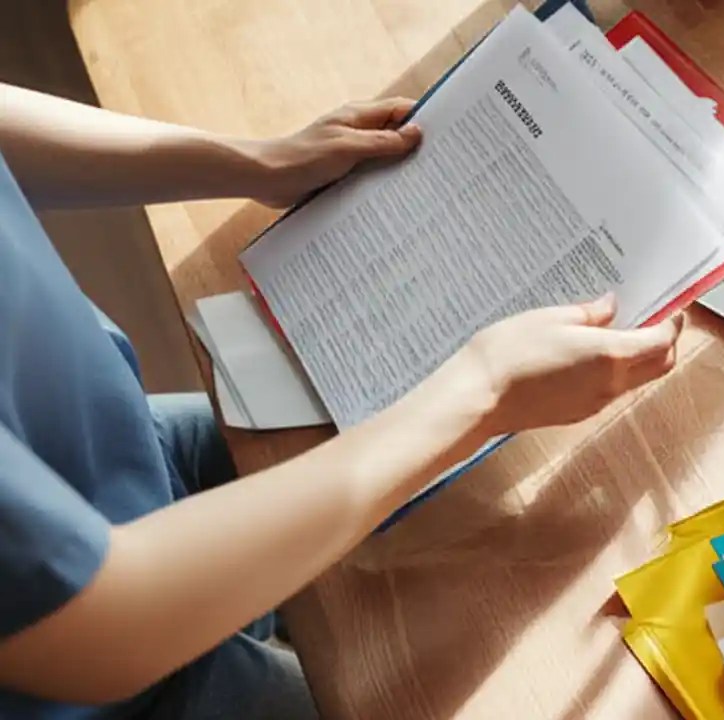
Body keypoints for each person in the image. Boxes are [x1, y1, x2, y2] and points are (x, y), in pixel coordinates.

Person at [0, 83, 684, 719]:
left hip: (109, 444)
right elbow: (103, 626)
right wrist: (485, 390)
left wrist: (256, 162)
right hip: (107, 676)